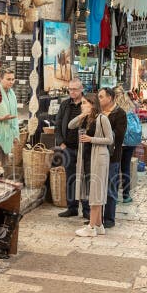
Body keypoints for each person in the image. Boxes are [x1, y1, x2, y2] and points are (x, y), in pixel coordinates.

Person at [68, 93, 113, 237]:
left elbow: (109, 140)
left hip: (99, 159)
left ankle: (91, 227)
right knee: (94, 190)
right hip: (87, 159)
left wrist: (91, 139)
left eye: (84, 103)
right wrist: (82, 115)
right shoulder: (85, 119)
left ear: (92, 104)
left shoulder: (102, 119)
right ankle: (99, 225)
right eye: (82, 103)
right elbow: (70, 125)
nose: (82, 105)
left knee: (96, 193)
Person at [55, 80, 89, 219]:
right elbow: (57, 124)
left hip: (83, 148)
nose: (72, 92)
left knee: (85, 179)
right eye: (70, 89)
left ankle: (87, 210)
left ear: (81, 89)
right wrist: (61, 143)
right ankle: (72, 207)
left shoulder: (87, 104)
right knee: (70, 179)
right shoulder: (64, 105)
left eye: (75, 89)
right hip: (68, 148)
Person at [99, 87, 127, 228]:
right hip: (97, 155)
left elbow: (118, 136)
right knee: (97, 186)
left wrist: (102, 135)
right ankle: (96, 218)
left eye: (101, 96)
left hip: (112, 156)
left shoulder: (120, 113)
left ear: (109, 98)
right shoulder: (99, 112)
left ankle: (109, 218)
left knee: (110, 187)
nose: (99, 99)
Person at [0, 68, 19, 164]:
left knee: (3, 164)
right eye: (8, 79)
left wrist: (15, 134)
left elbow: (15, 115)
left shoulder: (12, 94)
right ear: (0, 79)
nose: (11, 82)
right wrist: (0, 118)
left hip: (7, 134)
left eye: (13, 79)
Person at [115, 87, 141, 203]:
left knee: (115, 168)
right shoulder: (131, 106)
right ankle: (126, 195)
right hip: (130, 142)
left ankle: (114, 195)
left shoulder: (113, 107)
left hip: (118, 142)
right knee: (125, 167)